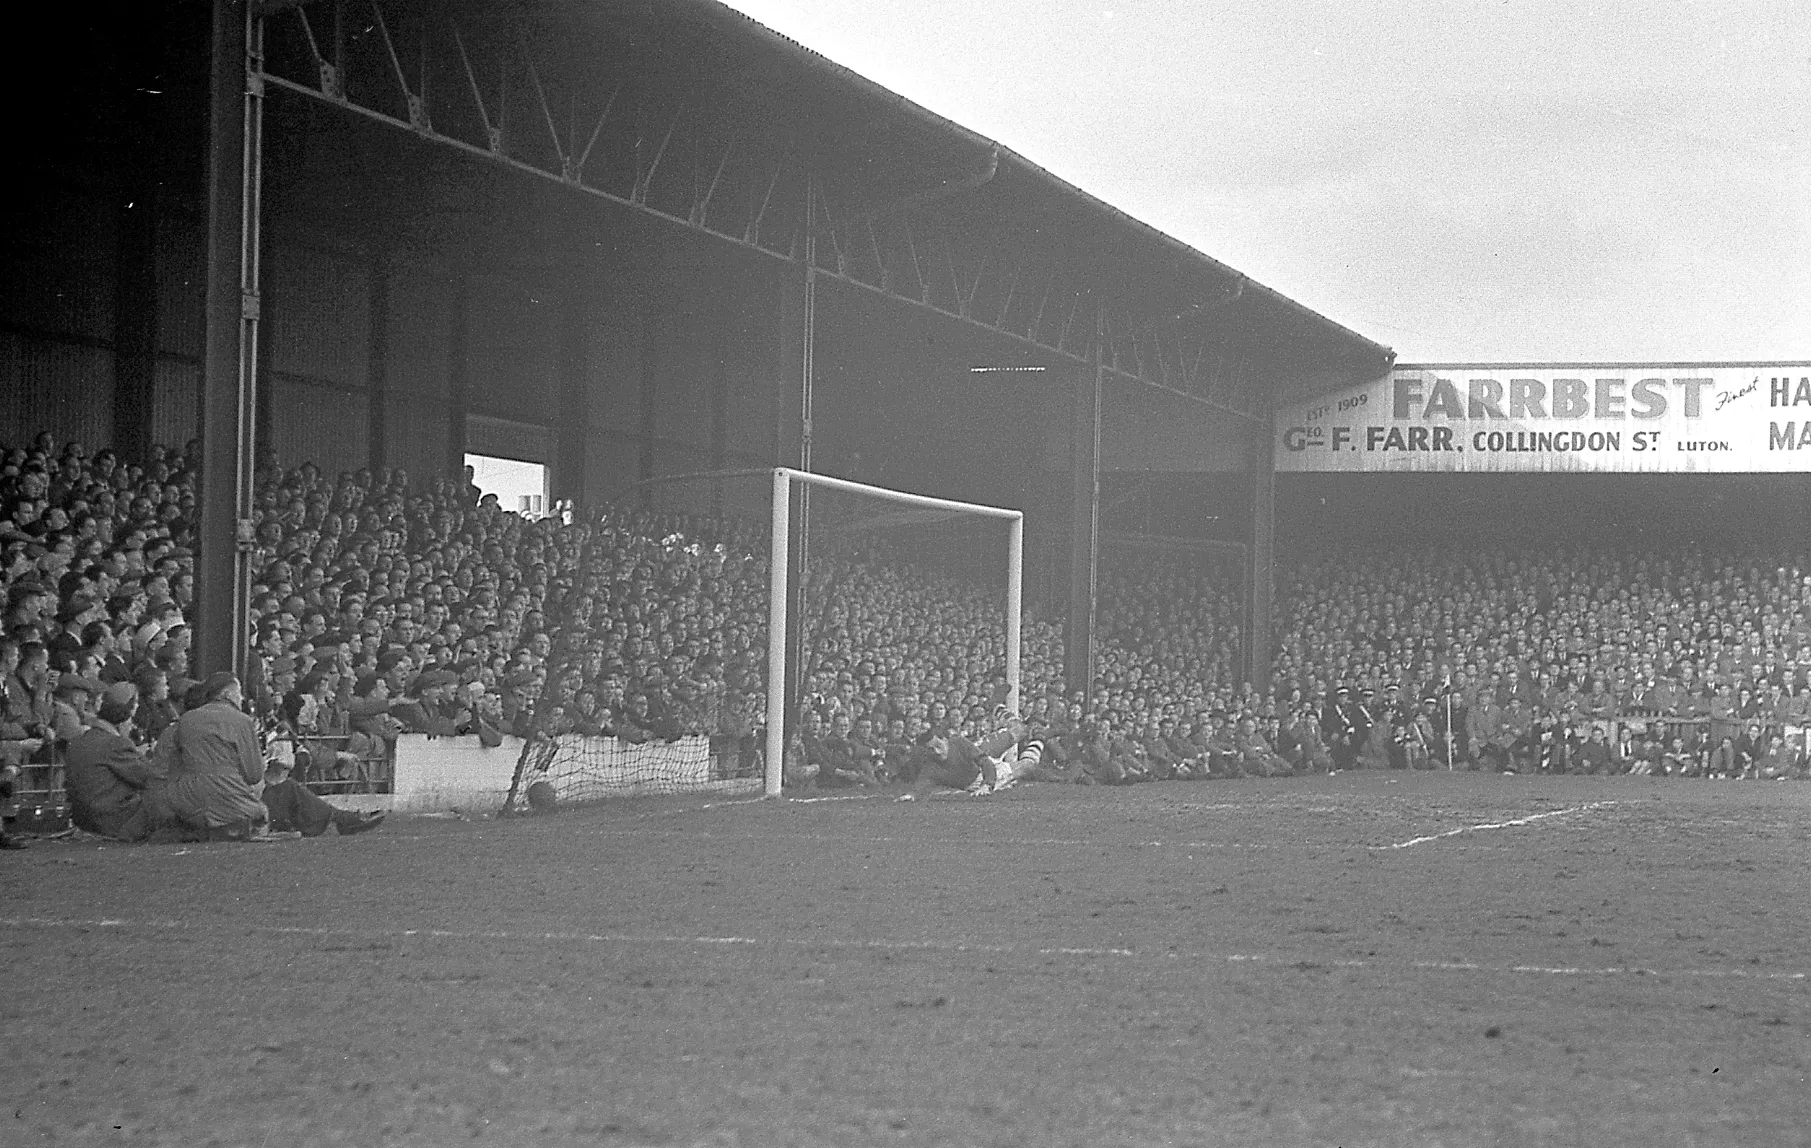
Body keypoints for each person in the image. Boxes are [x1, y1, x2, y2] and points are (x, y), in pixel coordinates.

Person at [163, 672, 278, 841]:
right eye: (239, 693)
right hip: (228, 796)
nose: (242, 698)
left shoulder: (187, 719)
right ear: (227, 694)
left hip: (187, 797)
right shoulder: (242, 721)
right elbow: (254, 775)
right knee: (260, 808)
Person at [63, 682, 178, 842]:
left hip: (84, 819)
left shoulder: (82, 740)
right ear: (128, 713)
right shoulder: (115, 743)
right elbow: (148, 777)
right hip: (113, 820)